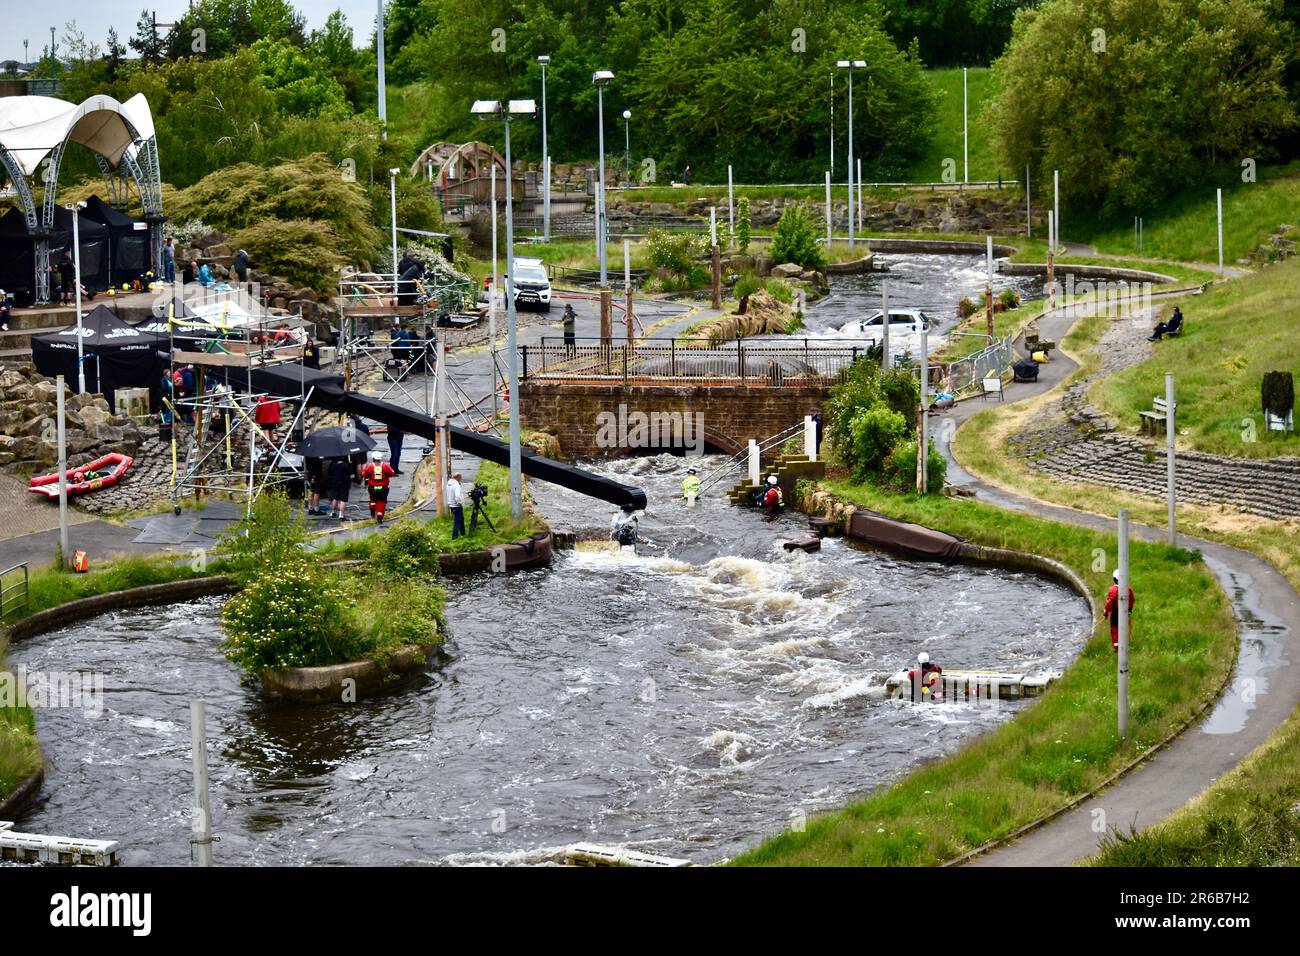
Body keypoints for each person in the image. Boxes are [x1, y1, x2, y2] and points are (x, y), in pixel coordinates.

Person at [1103, 569, 1135, 652]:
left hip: (1115, 613)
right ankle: (1124, 645)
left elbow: (1109, 603)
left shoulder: (1112, 590)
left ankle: (1117, 647)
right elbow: (1131, 600)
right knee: (1124, 628)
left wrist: (1106, 612)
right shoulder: (1128, 589)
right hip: (1125, 612)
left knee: (1114, 629)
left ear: (1114, 579)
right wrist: (1129, 610)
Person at [361, 450, 396, 523]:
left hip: (372, 488)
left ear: (373, 458)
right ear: (380, 458)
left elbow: (364, 474)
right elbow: (392, 473)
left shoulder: (369, 466)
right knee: (382, 501)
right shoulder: (386, 466)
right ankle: (380, 515)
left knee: (372, 499)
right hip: (383, 488)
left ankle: (372, 512)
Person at [327, 455, 355, 520]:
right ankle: (341, 515)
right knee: (343, 499)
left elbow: (329, 473)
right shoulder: (346, 465)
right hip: (344, 484)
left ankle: (333, 512)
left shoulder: (333, 464)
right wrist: (351, 464)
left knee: (335, 498)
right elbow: (352, 474)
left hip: (335, 483)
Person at [445, 470, 466, 539]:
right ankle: (454, 537)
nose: (461, 479)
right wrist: (460, 503)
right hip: (456, 506)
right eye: (461, 478)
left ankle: (463, 533)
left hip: (451, 504)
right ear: (458, 477)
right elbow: (457, 497)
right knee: (457, 521)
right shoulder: (456, 485)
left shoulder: (449, 483)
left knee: (461, 519)